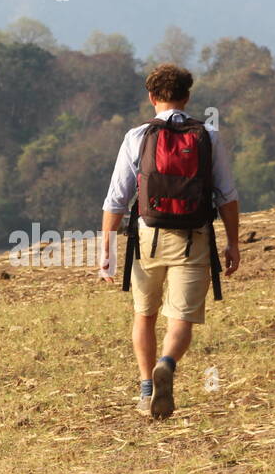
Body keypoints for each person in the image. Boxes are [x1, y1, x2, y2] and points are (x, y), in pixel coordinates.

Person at [98, 63, 240, 419]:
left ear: (152, 97)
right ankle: (167, 362)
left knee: (144, 315)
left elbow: (117, 198)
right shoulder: (208, 136)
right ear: (187, 97)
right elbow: (227, 195)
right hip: (195, 238)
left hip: (148, 238)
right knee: (181, 318)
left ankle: (147, 388)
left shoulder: (137, 137)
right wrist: (233, 243)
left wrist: (107, 250)